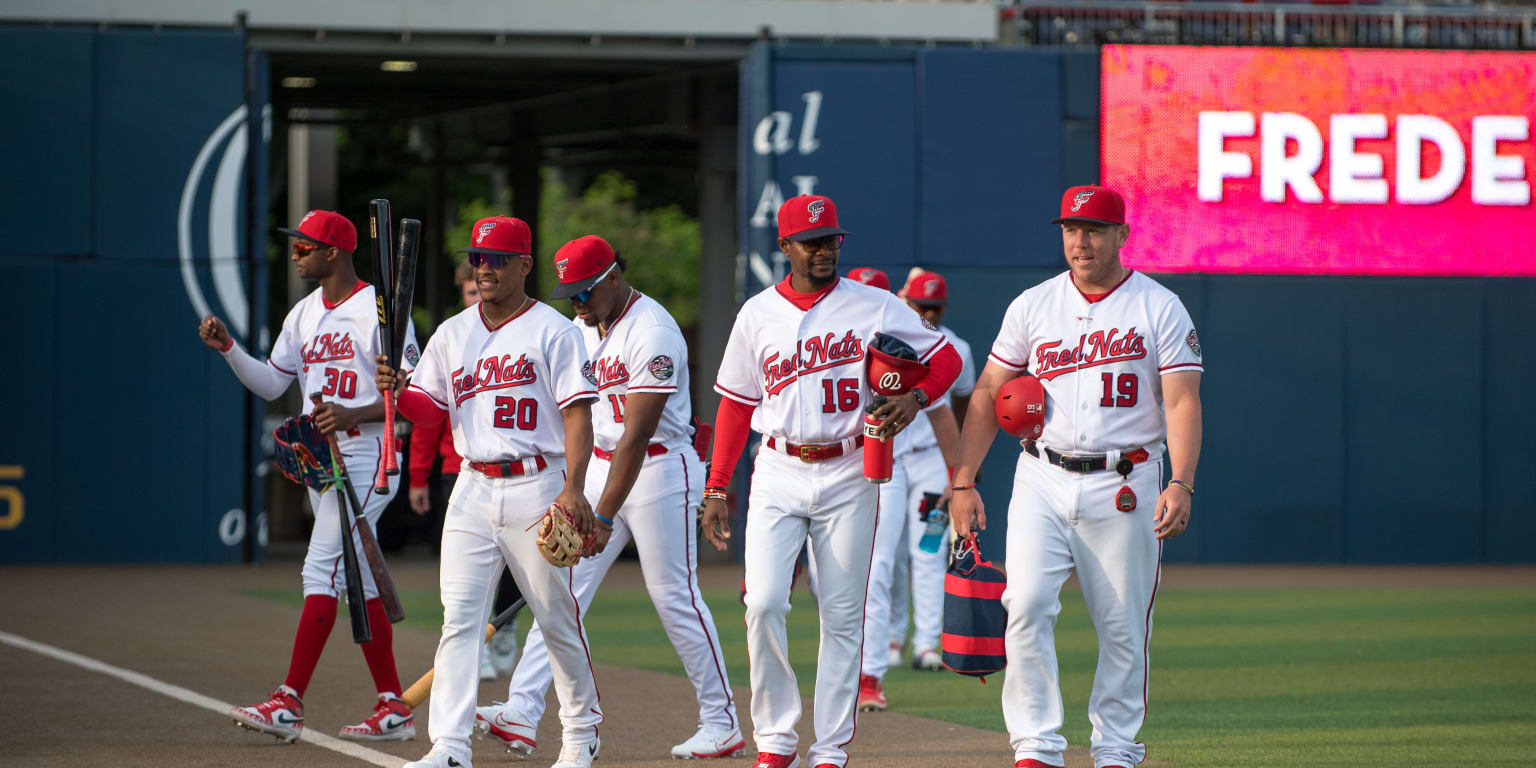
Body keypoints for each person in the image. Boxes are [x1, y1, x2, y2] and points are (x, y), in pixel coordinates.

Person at [699, 194, 962, 768]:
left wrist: (915, 397)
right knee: (764, 602)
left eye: (831, 239)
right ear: (786, 247)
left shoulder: (877, 304)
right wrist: (718, 487)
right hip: (777, 464)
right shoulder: (757, 313)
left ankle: (830, 747)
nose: (824, 249)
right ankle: (775, 738)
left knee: (842, 614)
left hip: (851, 467)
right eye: (812, 241)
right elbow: (736, 407)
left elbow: (946, 361)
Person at [948, 185, 1203, 768]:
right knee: (1027, 603)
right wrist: (964, 481)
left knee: (1122, 623)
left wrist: (1181, 480)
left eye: (1092, 229)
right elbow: (988, 390)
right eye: (1070, 229)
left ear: (1121, 235)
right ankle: (1036, 743)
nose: (1080, 242)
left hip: (1127, 478)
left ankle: (1115, 747)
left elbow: (1183, 400)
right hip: (1042, 474)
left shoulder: (1157, 305)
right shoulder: (1034, 305)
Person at [475, 235, 742, 760]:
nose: (577, 301)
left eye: (585, 291)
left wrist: (600, 515)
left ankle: (722, 722)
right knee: (557, 592)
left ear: (614, 277)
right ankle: (522, 711)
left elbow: (638, 437)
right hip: (599, 465)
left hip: (662, 468)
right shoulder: (578, 328)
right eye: (570, 293)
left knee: (674, 598)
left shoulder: (655, 331)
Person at [377, 216, 605, 768]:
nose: (484, 267)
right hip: (473, 487)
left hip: (538, 482)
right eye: (478, 258)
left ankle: (580, 732)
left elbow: (577, 415)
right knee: (459, 619)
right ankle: (450, 746)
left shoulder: (555, 329)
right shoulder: (453, 332)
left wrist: (574, 489)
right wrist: (401, 392)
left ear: (524, 264)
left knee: (554, 617)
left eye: (497, 259)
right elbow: (429, 411)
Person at [198, 209, 418, 743]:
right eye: (295, 245)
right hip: (326, 460)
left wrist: (355, 413)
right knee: (355, 581)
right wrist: (230, 348)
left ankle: (289, 702)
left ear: (333, 253)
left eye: (304, 246)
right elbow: (273, 384)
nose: (295, 253)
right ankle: (395, 706)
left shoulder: (381, 309)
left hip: (368, 453)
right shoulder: (302, 314)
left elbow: (409, 398)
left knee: (320, 570)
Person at [405, 260, 519, 682]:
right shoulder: (452, 335)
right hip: (461, 468)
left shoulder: (526, 332)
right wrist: (418, 477)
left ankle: (505, 627)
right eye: (470, 289)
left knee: (515, 569)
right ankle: (480, 646)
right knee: (464, 576)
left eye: (480, 287)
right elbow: (426, 418)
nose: (477, 294)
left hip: (521, 474)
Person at [884, 269, 976, 675]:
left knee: (927, 550)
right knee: (887, 554)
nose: (931, 314)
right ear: (906, 302)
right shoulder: (885, 338)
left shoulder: (956, 348)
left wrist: (958, 470)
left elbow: (962, 410)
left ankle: (925, 644)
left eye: (936, 307)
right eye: (922, 306)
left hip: (928, 459)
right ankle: (890, 638)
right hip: (887, 456)